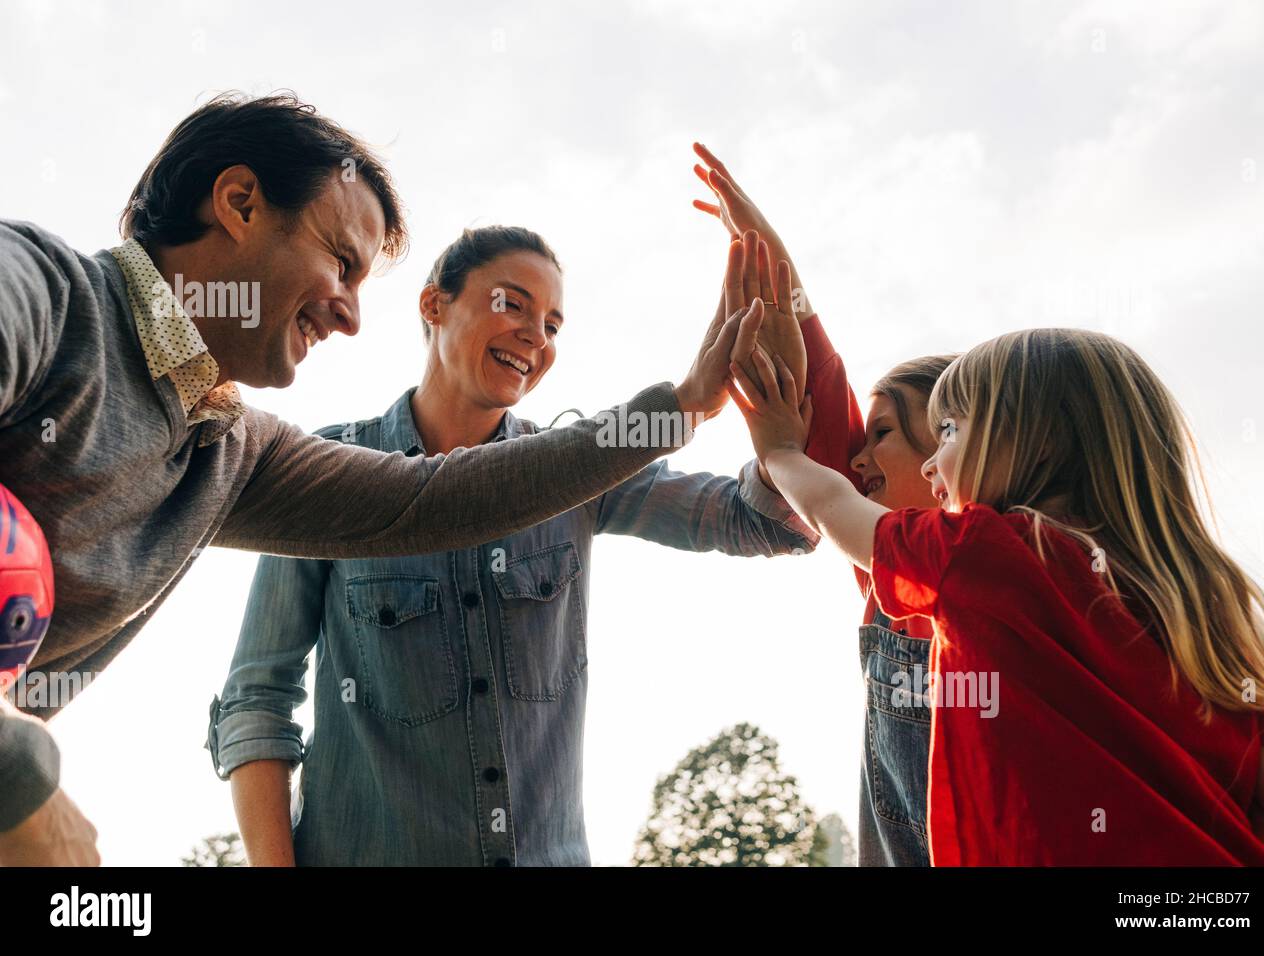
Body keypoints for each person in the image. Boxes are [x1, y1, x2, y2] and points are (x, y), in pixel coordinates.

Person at [0, 95, 761, 865]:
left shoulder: (230, 453)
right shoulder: (44, 295)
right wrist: (20, 775)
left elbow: (428, 499)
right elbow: (256, 697)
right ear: (238, 204)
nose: (351, 316)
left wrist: (685, 407)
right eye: (340, 261)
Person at [209, 224, 817, 865]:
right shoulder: (326, 469)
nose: (537, 335)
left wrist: (780, 432)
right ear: (433, 305)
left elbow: (758, 523)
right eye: (512, 303)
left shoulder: (580, 474)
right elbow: (257, 696)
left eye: (554, 324)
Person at [728, 324, 1264, 863]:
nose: (932, 462)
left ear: (1039, 441)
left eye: (949, 430)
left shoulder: (988, 552)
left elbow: (836, 508)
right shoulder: (1205, 596)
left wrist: (780, 454)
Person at [691, 144, 954, 864]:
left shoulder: (988, 569)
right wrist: (774, 264)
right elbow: (819, 392)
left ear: (950, 455)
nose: (858, 457)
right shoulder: (889, 579)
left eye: (885, 435)